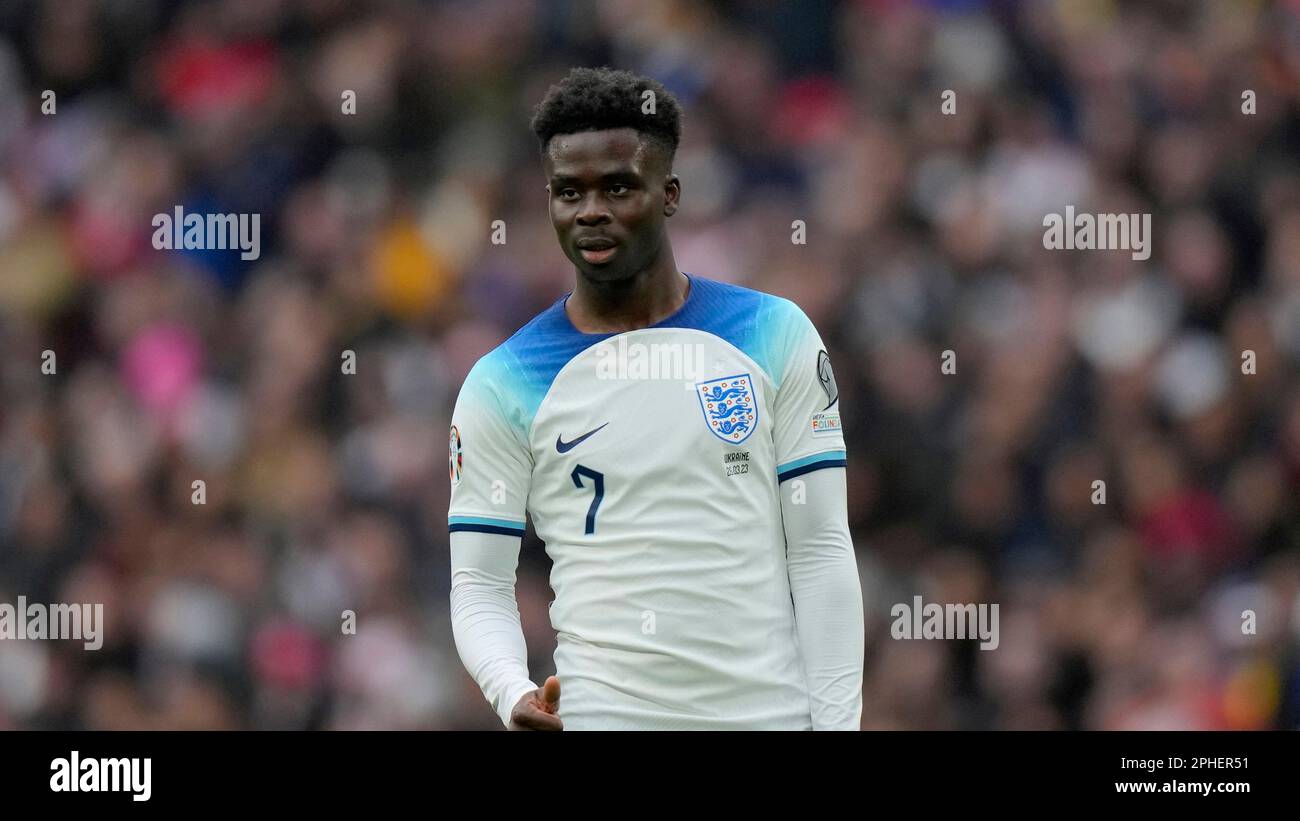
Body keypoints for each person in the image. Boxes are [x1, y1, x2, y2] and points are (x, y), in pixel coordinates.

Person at [447, 66, 863, 730]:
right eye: (568, 192)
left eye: (617, 187)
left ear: (669, 194)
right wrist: (509, 688)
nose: (590, 211)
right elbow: (478, 582)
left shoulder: (773, 333)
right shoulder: (503, 382)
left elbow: (818, 548)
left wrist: (838, 726)